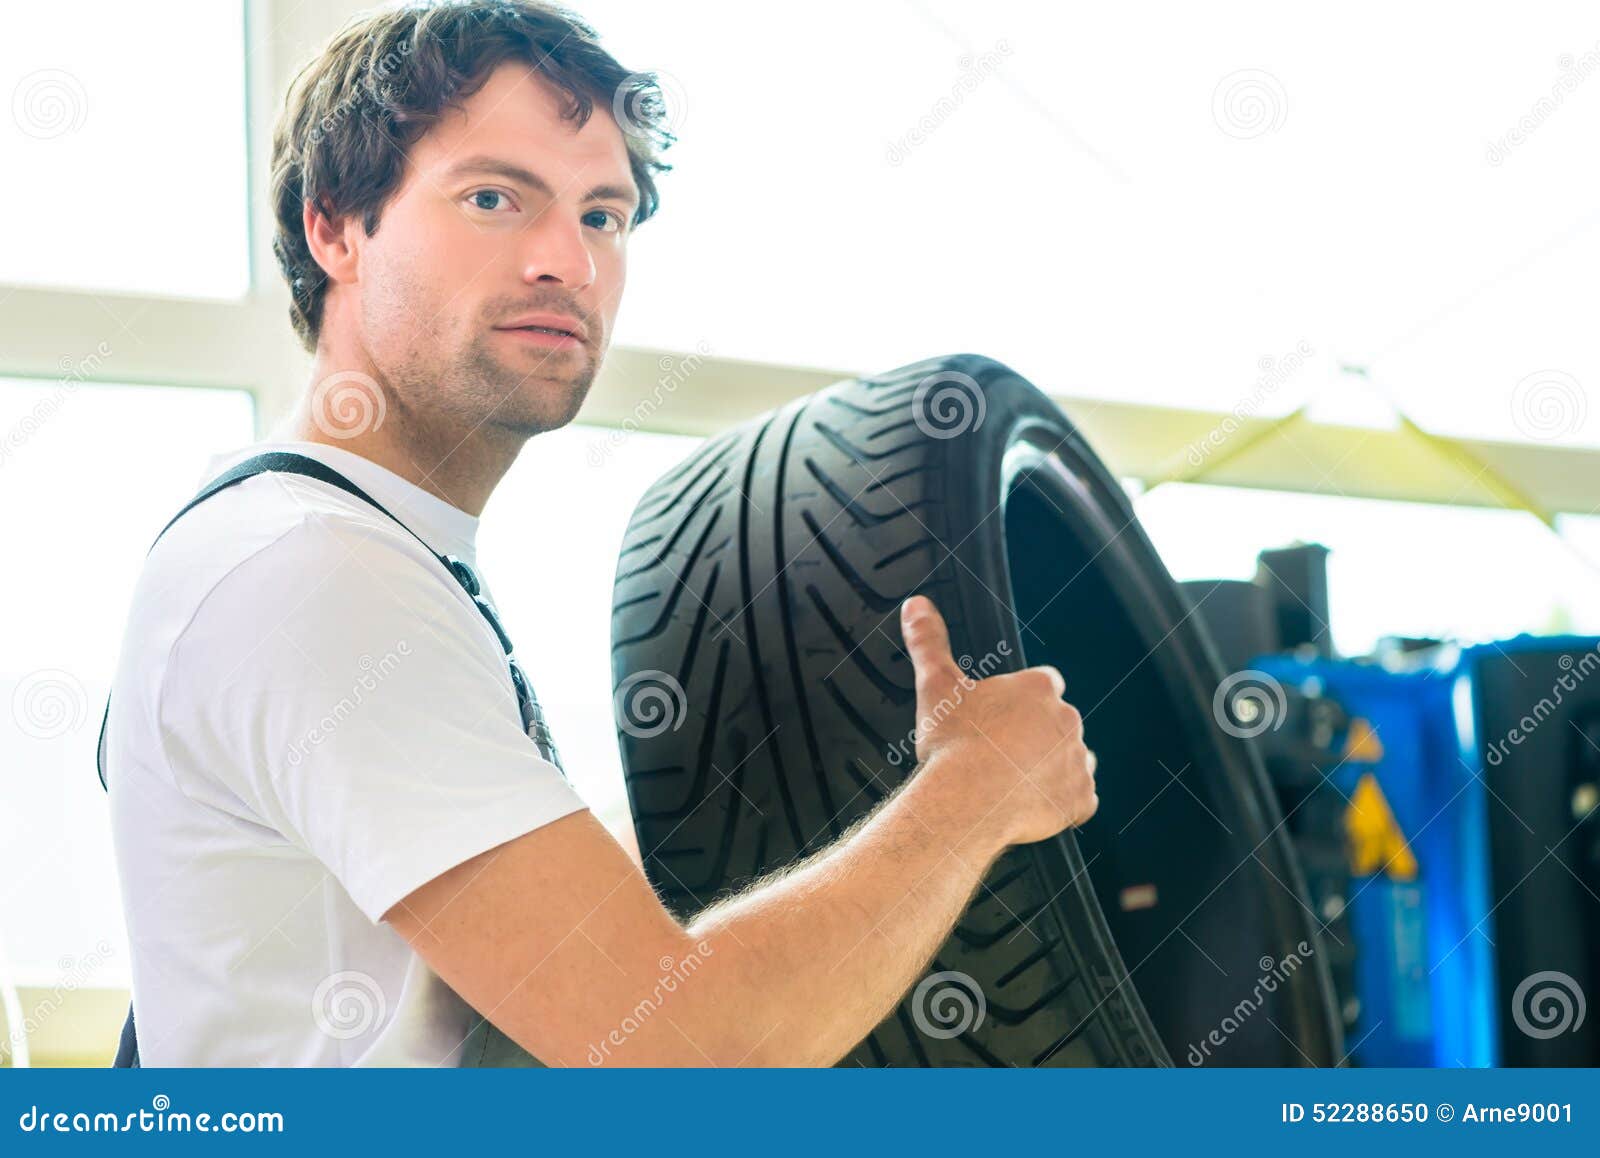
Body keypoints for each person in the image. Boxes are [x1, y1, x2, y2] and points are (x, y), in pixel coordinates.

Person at [104, 0, 1097, 1066]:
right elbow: (681, 1060)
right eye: (494, 197)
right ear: (335, 226)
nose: (566, 264)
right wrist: (972, 792)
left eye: (602, 216)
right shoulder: (312, 573)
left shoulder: (365, 558)